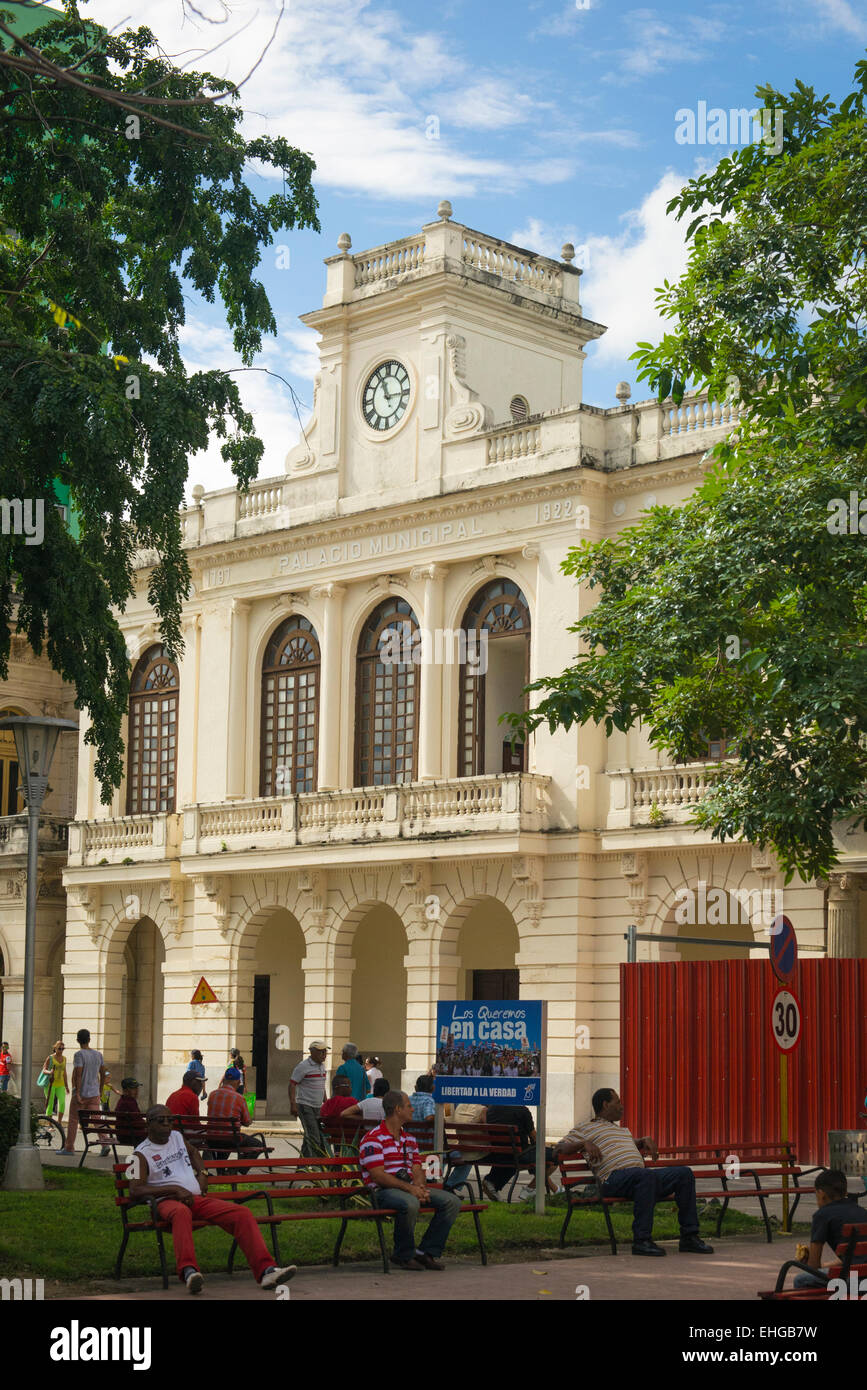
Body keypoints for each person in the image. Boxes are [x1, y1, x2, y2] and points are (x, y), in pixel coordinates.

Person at [128, 1104, 296, 1294]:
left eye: (170, 1120)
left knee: (241, 1213)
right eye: (161, 1120)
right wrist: (174, 1189)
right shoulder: (140, 1153)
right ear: (148, 1124)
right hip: (166, 1203)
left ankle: (267, 1270)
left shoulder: (177, 1137)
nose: (167, 1124)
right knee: (181, 1212)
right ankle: (189, 1272)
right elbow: (134, 1190)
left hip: (194, 1198)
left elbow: (193, 1152)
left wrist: (203, 1174)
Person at [555, 1088, 714, 1256]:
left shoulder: (621, 1130)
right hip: (612, 1179)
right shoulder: (585, 1128)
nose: (622, 1106)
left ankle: (689, 1237)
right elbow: (557, 1149)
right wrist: (583, 1144)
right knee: (645, 1176)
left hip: (640, 1178)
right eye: (618, 1102)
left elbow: (622, 1145)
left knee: (684, 1174)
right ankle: (641, 1240)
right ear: (605, 1104)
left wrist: (643, 1140)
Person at [359, 1090, 461, 1270]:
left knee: (451, 1201)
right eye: (409, 1106)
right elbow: (378, 1176)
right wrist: (411, 1189)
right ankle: (403, 1254)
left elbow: (417, 1168)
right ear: (398, 1109)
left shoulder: (409, 1139)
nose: (413, 1110)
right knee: (410, 1202)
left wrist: (419, 1186)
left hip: (406, 1189)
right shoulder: (373, 1138)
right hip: (382, 1192)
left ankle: (426, 1252)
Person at [787, 1169, 866, 1288]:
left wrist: (806, 1263)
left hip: (854, 1281)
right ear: (845, 1192)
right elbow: (853, 1258)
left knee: (801, 1280)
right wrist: (824, 1266)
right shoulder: (861, 1211)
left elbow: (813, 1266)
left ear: (821, 1194)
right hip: (862, 1276)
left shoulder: (822, 1215)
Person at [481, 1103, 558, 1201]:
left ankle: (491, 1181)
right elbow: (534, 1137)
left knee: (521, 1157)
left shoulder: (491, 1109)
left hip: (498, 1154)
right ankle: (530, 1189)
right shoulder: (522, 1110)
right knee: (553, 1155)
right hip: (519, 1155)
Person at [60, 1028, 109, 1156]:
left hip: (81, 1093)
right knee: (97, 1119)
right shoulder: (98, 1055)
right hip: (94, 1093)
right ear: (89, 1039)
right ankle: (105, 1143)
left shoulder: (79, 1055)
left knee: (73, 1120)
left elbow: (78, 1075)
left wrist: (78, 1093)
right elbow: (103, 1073)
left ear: (77, 1040)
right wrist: (100, 1089)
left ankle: (69, 1147)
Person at [206, 1067, 261, 1170]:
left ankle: (222, 1173)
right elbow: (247, 1122)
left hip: (211, 1138)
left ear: (224, 1080)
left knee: (225, 1137)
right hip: (230, 1140)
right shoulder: (239, 1098)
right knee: (257, 1144)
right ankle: (236, 1171)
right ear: (238, 1082)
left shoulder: (212, 1094)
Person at [289, 1041, 329, 1157]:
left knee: (312, 1137)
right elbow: (292, 1084)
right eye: (322, 1052)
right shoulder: (303, 1066)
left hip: (318, 1106)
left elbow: (321, 1086)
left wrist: (326, 1102)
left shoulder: (322, 1066)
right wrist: (293, 1104)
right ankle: (314, 1165)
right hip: (305, 1105)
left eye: (325, 1051)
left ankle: (302, 1167)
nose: (324, 1054)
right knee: (314, 1137)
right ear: (313, 1052)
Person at [115, 1078, 146, 1146]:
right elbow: (138, 1121)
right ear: (126, 1090)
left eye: (137, 1088)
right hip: (131, 1136)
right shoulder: (129, 1102)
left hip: (123, 1135)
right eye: (133, 1089)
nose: (137, 1091)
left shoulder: (122, 1100)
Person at [43, 1041, 68, 1121]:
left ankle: (59, 1122)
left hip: (61, 1084)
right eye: (59, 1048)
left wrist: (67, 1086)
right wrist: (50, 1072)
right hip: (50, 1084)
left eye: (62, 1048)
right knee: (50, 1103)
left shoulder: (64, 1058)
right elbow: (44, 1070)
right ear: (55, 1048)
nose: (61, 1050)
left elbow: (64, 1073)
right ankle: (50, 1124)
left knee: (62, 1102)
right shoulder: (50, 1058)